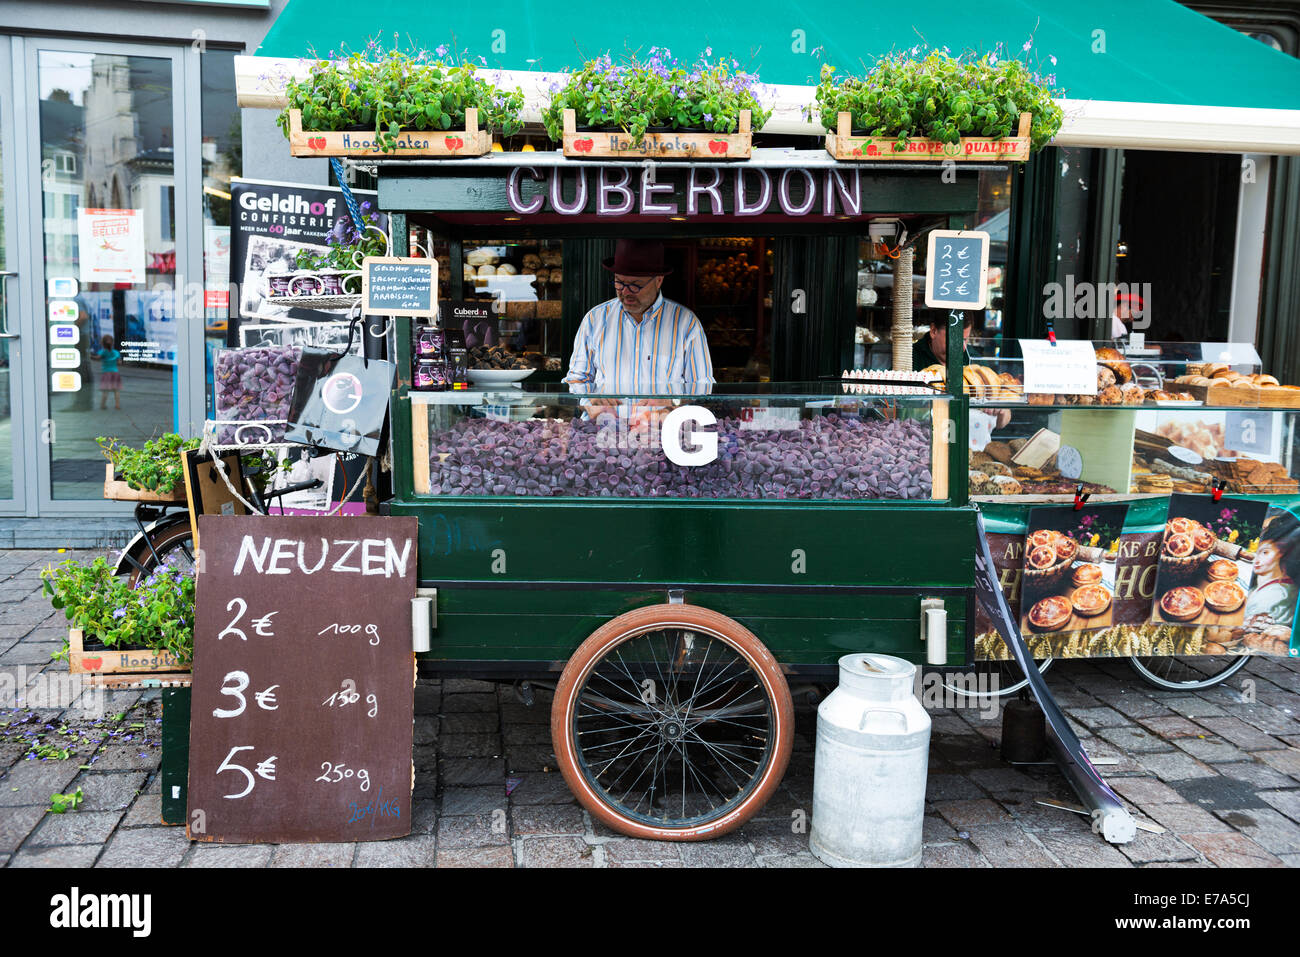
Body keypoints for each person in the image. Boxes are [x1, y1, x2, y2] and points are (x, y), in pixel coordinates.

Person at [565, 239, 713, 394]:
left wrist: (673, 403)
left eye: (635, 285)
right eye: (619, 283)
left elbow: (701, 385)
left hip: (662, 418)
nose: (626, 292)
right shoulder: (595, 319)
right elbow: (577, 379)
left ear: (658, 281)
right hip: (606, 418)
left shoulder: (686, 323)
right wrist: (592, 403)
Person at [1245, 512, 1300, 630]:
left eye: (1265, 552)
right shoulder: (1259, 587)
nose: (1257, 560)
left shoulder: (1277, 595)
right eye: (1256, 552)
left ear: (1281, 553)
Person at [95, 335, 122, 410]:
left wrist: (89, 356)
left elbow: (97, 358)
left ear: (102, 343)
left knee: (105, 391)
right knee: (116, 390)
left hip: (106, 373)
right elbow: (119, 362)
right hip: (115, 373)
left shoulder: (102, 352)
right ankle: (117, 405)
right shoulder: (116, 352)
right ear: (112, 343)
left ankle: (103, 405)